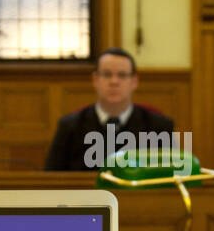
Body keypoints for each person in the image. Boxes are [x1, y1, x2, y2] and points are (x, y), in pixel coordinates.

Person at [44, 47, 175, 172]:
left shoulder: (159, 127)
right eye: (107, 74)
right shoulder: (70, 126)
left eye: (122, 75)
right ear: (95, 80)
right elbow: (51, 179)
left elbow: (173, 176)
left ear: (134, 82)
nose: (114, 81)